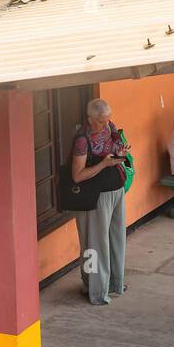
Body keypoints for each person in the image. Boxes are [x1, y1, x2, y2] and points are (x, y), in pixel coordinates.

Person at [71, 98, 130, 306]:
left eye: (107, 120)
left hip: (116, 190)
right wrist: (105, 163)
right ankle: (94, 288)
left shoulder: (110, 127)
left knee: (116, 240)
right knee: (95, 245)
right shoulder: (82, 140)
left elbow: (114, 146)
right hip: (95, 198)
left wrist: (120, 155)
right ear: (90, 119)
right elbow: (77, 175)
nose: (106, 125)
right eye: (101, 122)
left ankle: (114, 282)